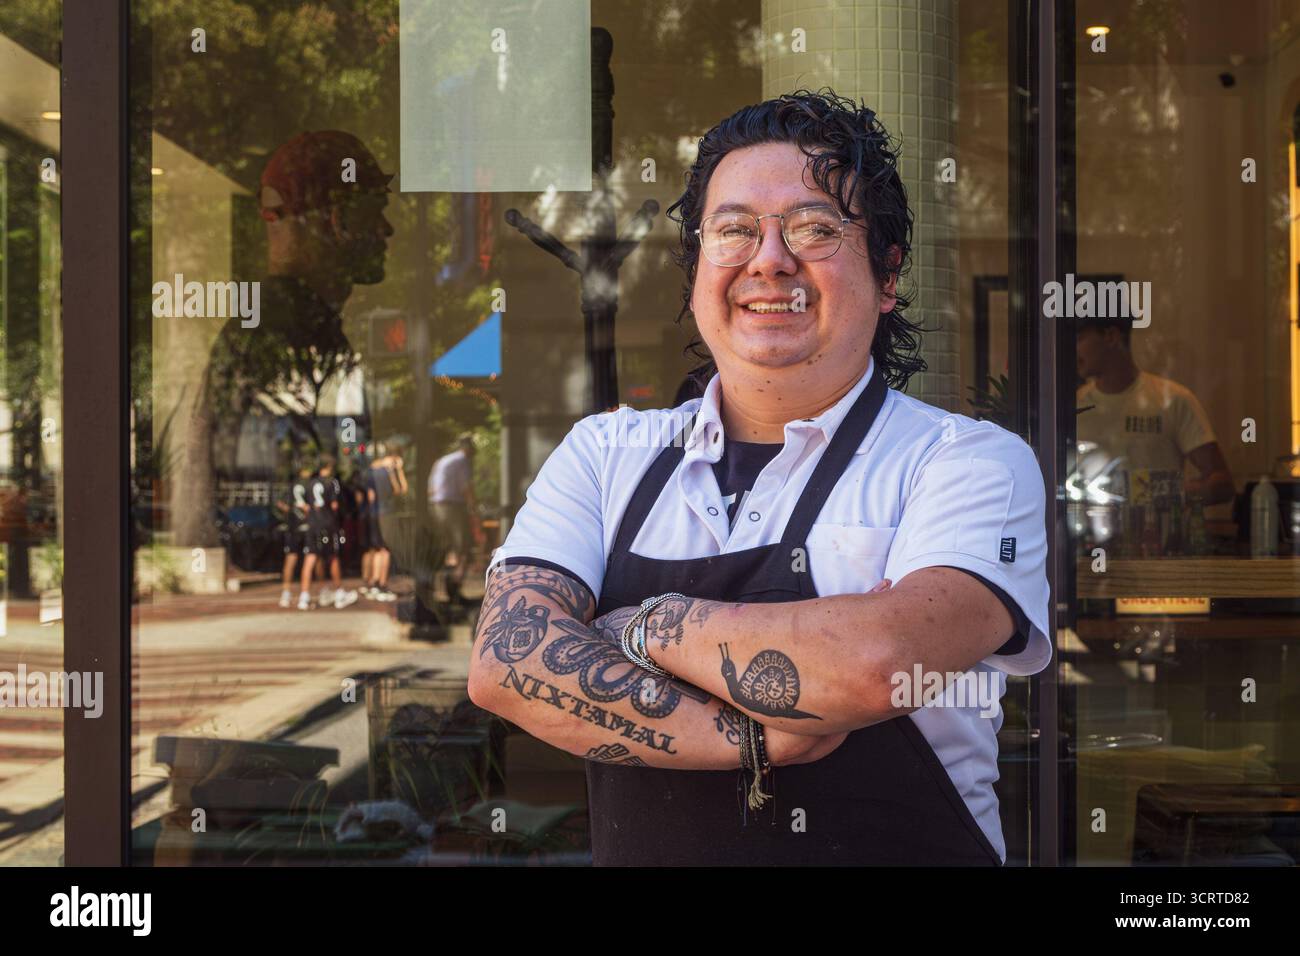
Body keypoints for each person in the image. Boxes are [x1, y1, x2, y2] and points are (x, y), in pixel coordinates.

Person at [467, 90, 1051, 866]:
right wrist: (759, 734)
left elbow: (877, 663)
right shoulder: (605, 453)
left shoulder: (965, 461)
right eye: (734, 230)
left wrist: (639, 628)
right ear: (697, 272)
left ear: (887, 277)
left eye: (815, 229)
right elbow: (507, 664)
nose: (769, 259)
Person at [181, 130, 393, 550]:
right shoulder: (283, 333)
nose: (387, 230)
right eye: (375, 212)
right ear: (339, 220)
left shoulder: (276, 323)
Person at [1075, 316, 1234, 515]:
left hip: (1157, 543)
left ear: (1111, 336)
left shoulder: (1172, 400)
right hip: (1088, 541)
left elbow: (1221, 483)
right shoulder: (1072, 407)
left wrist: (1161, 496)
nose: (1073, 349)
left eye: (1079, 338)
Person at [428, 434, 481, 604]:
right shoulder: (462, 461)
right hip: (453, 507)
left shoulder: (443, 461)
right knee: (462, 549)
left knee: (447, 549)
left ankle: (443, 590)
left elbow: (430, 489)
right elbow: (466, 487)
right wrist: (474, 510)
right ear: (469, 449)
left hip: (437, 507)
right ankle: (454, 590)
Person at [309, 454, 358, 609]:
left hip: (315, 524)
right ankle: (338, 592)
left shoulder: (311, 483)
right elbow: (335, 505)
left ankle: (324, 590)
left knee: (319, 557)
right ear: (329, 467)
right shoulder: (333, 483)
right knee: (333, 556)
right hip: (329, 523)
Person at [277, 463, 314, 609]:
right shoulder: (310, 485)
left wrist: (288, 511)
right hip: (307, 526)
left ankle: (286, 593)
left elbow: (279, 503)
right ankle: (305, 594)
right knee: (311, 558)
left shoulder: (291, 486)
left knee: (291, 558)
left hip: (292, 527)